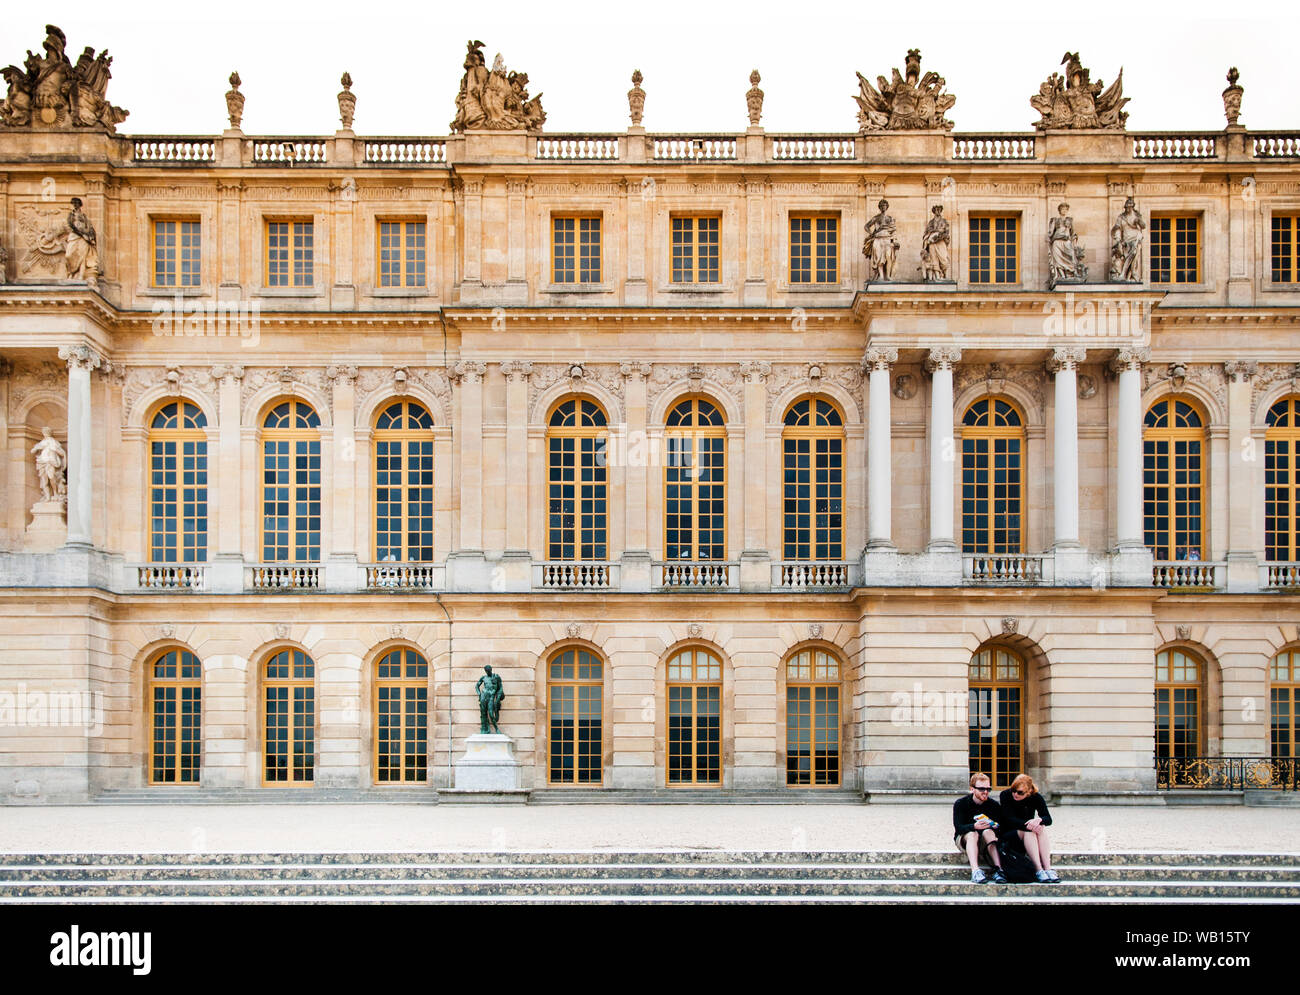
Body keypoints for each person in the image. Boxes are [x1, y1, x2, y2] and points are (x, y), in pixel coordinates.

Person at [999, 773, 1059, 882]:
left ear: (1029, 792)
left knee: (1041, 828)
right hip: (1009, 834)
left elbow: (1048, 819)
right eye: (1013, 790)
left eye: (1020, 792)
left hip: (1028, 832)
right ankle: (1038, 869)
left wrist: (1039, 820)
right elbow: (1009, 819)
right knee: (1030, 830)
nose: (1015, 794)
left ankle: (1048, 868)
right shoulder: (1005, 795)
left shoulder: (1036, 797)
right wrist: (1030, 825)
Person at [953, 771, 1006, 884]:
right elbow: (958, 828)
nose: (985, 792)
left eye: (988, 789)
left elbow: (1002, 827)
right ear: (972, 789)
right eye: (982, 789)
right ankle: (975, 871)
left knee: (988, 832)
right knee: (973, 833)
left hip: (986, 841)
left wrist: (994, 826)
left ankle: (998, 869)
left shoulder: (994, 805)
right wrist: (974, 826)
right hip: (965, 840)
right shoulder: (961, 803)